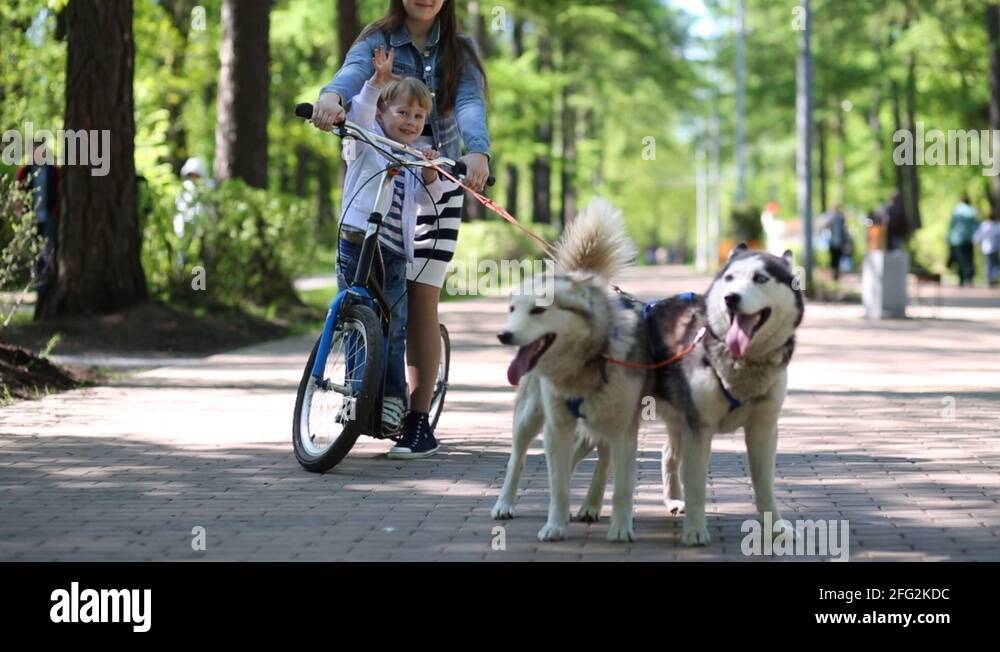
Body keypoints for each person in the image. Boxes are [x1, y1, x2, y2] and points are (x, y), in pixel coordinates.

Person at [313, 0, 491, 458]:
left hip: (439, 175)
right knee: (369, 287)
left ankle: (415, 418)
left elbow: (470, 102)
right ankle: (365, 394)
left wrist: (478, 151)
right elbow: (354, 74)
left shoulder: (461, 49)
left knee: (419, 296)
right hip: (381, 166)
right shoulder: (378, 38)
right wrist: (332, 97)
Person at [336, 47, 448, 455]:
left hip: (397, 252)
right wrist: (375, 83)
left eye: (418, 117)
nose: (411, 122)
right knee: (353, 318)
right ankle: (355, 393)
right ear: (384, 114)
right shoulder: (367, 140)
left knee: (393, 326)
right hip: (356, 240)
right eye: (402, 113)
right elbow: (360, 113)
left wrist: (430, 171)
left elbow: (424, 200)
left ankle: (391, 402)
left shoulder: (414, 155)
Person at [15, 137, 61, 294]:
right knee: (34, 254)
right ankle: (38, 288)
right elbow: (19, 195)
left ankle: (48, 286)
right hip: (32, 219)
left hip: (49, 217)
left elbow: (60, 193)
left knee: (48, 252)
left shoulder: (53, 170)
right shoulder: (25, 171)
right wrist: (22, 214)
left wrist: (55, 213)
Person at [173, 157, 211, 268]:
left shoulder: (207, 188)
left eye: (196, 175)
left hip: (202, 230)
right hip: (186, 229)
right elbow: (179, 211)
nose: (193, 178)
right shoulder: (183, 190)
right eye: (191, 175)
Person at [948, 194, 979, 287]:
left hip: (957, 239)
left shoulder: (956, 210)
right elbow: (975, 225)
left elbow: (952, 225)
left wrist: (949, 238)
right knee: (969, 258)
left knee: (960, 259)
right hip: (968, 239)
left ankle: (961, 279)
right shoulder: (971, 210)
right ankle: (969, 279)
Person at [819, 204, 848, 281]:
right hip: (836, 242)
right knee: (836, 259)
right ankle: (835, 274)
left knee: (834, 259)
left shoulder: (835, 218)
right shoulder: (840, 218)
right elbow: (844, 231)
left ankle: (835, 274)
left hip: (834, 242)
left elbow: (824, 226)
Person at [974, 210, 1000, 288]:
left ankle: (991, 279)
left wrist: (976, 241)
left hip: (987, 248)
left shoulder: (984, 225)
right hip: (994, 248)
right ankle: (992, 279)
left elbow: (978, 235)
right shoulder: (997, 226)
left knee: (989, 264)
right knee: (995, 264)